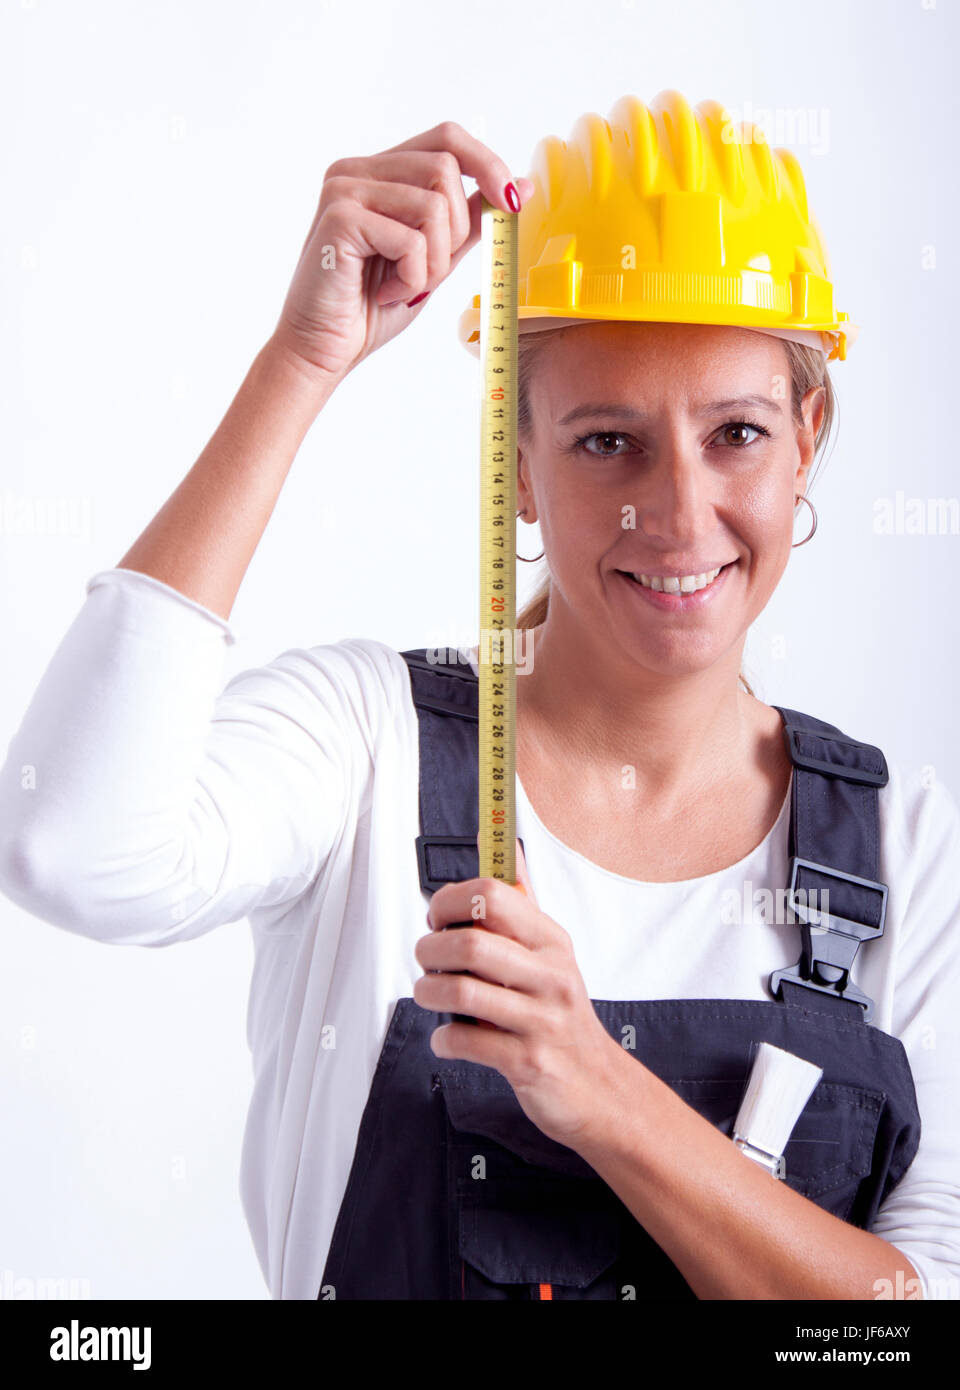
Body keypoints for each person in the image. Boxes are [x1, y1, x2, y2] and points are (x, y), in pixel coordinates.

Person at [1, 90, 958, 1302]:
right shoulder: (367, 751)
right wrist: (300, 366)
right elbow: (64, 843)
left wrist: (600, 1090)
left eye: (736, 433)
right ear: (514, 463)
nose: (675, 513)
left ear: (807, 433)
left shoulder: (908, 856)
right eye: (608, 441)